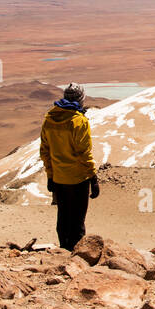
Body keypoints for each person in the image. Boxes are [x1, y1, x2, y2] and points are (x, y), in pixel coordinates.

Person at [39, 83, 99, 250]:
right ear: (81, 99)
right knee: (77, 221)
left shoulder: (49, 119)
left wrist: (50, 176)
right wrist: (92, 178)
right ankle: (76, 256)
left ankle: (63, 249)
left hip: (59, 178)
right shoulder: (79, 121)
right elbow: (84, 153)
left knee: (63, 218)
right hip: (78, 179)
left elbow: (45, 151)